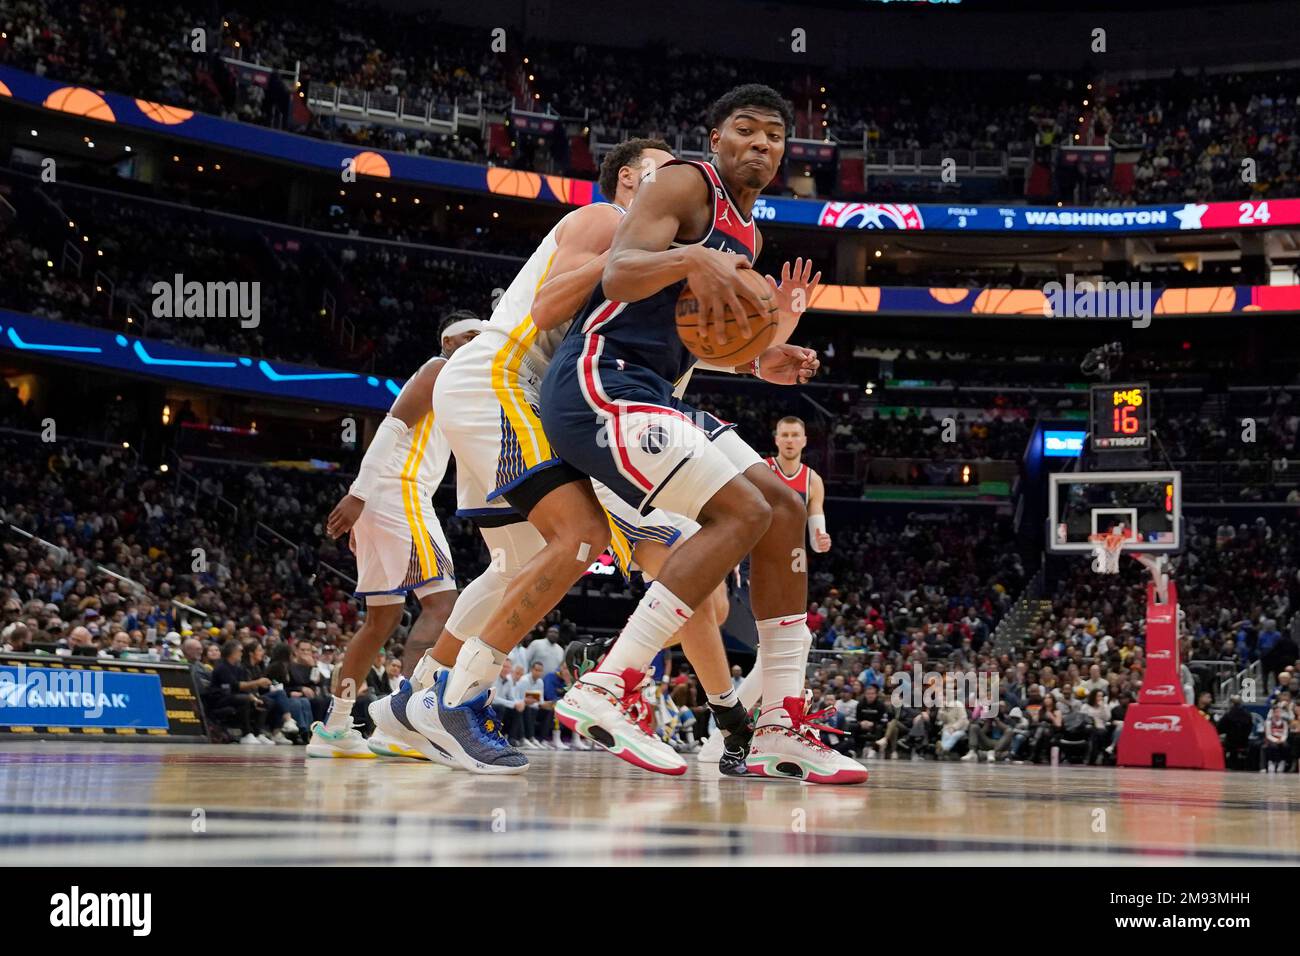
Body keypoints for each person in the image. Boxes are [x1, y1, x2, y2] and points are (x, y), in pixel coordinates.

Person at [372, 140, 750, 773]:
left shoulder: (656, 256)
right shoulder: (607, 219)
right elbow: (549, 304)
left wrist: (764, 350)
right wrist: (656, 255)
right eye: (667, 169)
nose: (687, 181)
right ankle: (459, 699)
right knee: (580, 538)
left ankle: (413, 699)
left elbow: (696, 338)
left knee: (514, 564)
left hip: (529, 395)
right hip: (506, 376)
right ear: (630, 178)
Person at [542, 84, 864, 785]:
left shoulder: (748, 234)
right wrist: (694, 257)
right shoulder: (684, 183)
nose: (761, 144)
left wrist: (757, 359)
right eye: (745, 130)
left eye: (774, 136)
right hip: (598, 381)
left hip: (653, 390)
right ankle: (605, 686)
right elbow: (623, 274)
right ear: (715, 138)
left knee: (778, 508)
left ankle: (779, 722)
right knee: (742, 511)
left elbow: (693, 335)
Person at [307, 312, 481, 760]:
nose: (482, 342)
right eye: (473, 335)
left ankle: (334, 727)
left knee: (380, 622)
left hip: (388, 501)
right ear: (452, 341)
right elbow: (391, 428)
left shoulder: (459, 387)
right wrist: (358, 494)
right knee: (442, 604)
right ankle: (403, 725)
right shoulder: (438, 370)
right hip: (397, 492)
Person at [697, 413, 834, 764]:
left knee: (784, 648)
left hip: (791, 564)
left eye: (795, 435)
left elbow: (816, 533)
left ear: (804, 440)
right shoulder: (760, 469)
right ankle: (768, 725)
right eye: (784, 434)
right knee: (793, 642)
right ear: (776, 439)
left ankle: (733, 733)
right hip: (751, 562)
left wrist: (821, 538)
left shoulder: (812, 480)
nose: (790, 440)